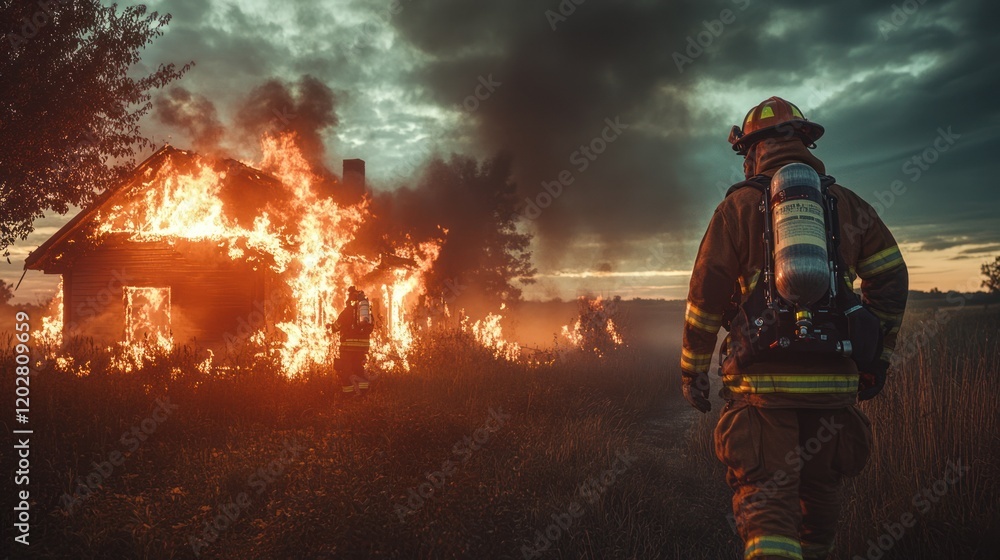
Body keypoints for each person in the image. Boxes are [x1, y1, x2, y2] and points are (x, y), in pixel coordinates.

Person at [680, 97, 908, 560]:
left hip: (762, 392)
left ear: (752, 152)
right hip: (834, 389)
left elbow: (704, 298)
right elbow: (890, 277)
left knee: (768, 510)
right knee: (819, 501)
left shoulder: (737, 208)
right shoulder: (848, 204)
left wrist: (692, 370)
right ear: (805, 141)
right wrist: (875, 357)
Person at [329, 286, 374, 395]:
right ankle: (363, 394)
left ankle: (348, 396)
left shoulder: (347, 312)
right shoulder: (366, 313)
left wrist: (330, 326)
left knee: (346, 372)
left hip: (348, 348)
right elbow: (371, 327)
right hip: (361, 348)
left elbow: (335, 327)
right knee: (359, 370)